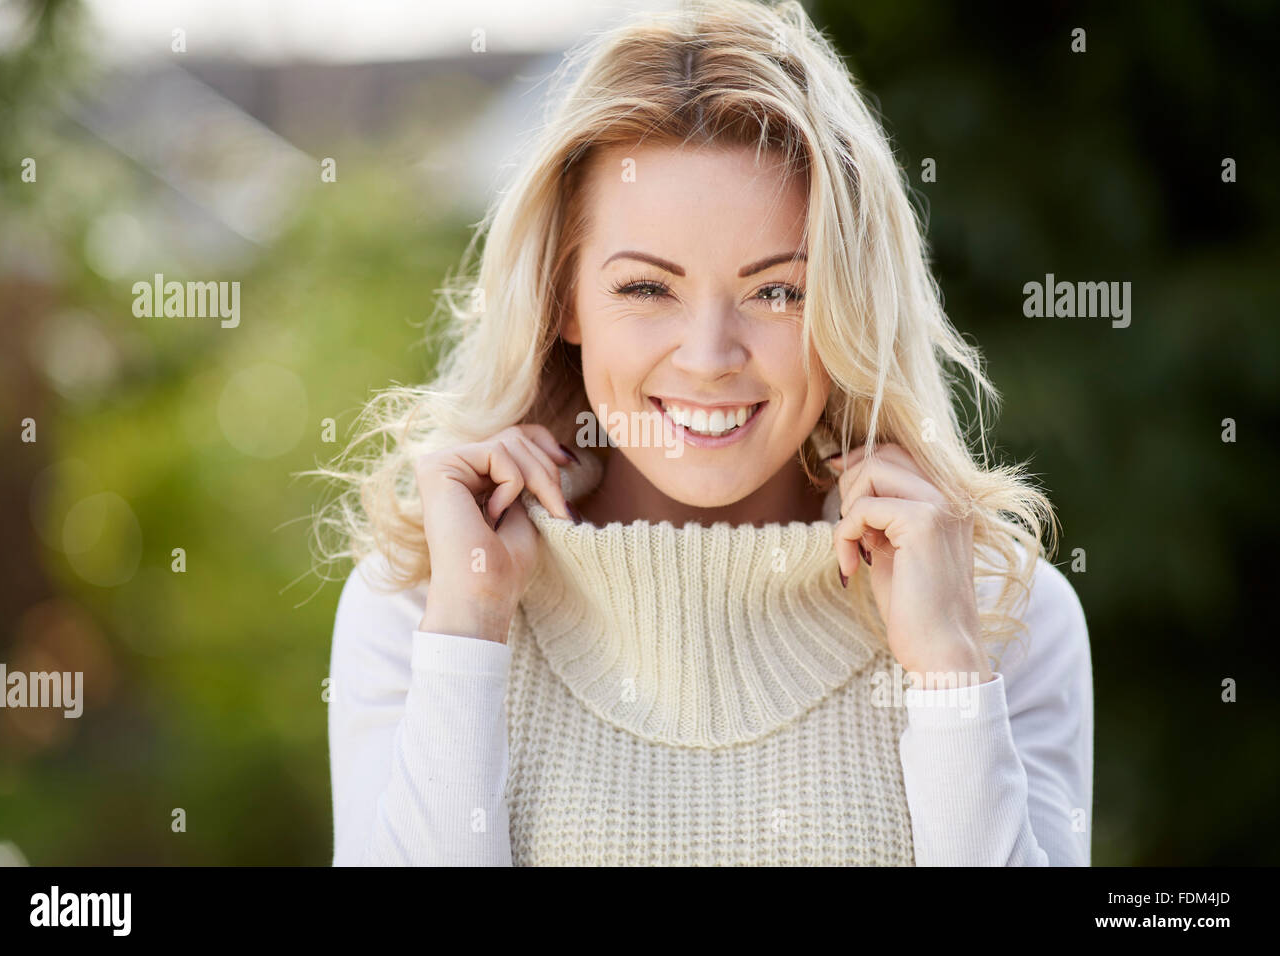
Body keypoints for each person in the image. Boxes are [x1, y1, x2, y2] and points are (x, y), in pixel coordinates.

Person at [314, 0, 1093, 865]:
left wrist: (948, 671)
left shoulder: (1000, 611)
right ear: (563, 299)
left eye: (779, 292)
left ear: (850, 304)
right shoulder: (420, 602)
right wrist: (470, 628)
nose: (711, 356)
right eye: (648, 289)